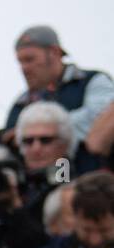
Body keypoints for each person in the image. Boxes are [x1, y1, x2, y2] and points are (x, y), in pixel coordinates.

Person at [6, 26, 114, 176]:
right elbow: (8, 142)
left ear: (54, 52)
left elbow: (101, 121)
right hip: (39, 193)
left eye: (30, 59)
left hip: (91, 186)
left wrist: (33, 128)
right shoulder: (21, 102)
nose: (24, 68)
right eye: (20, 62)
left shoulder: (93, 81)